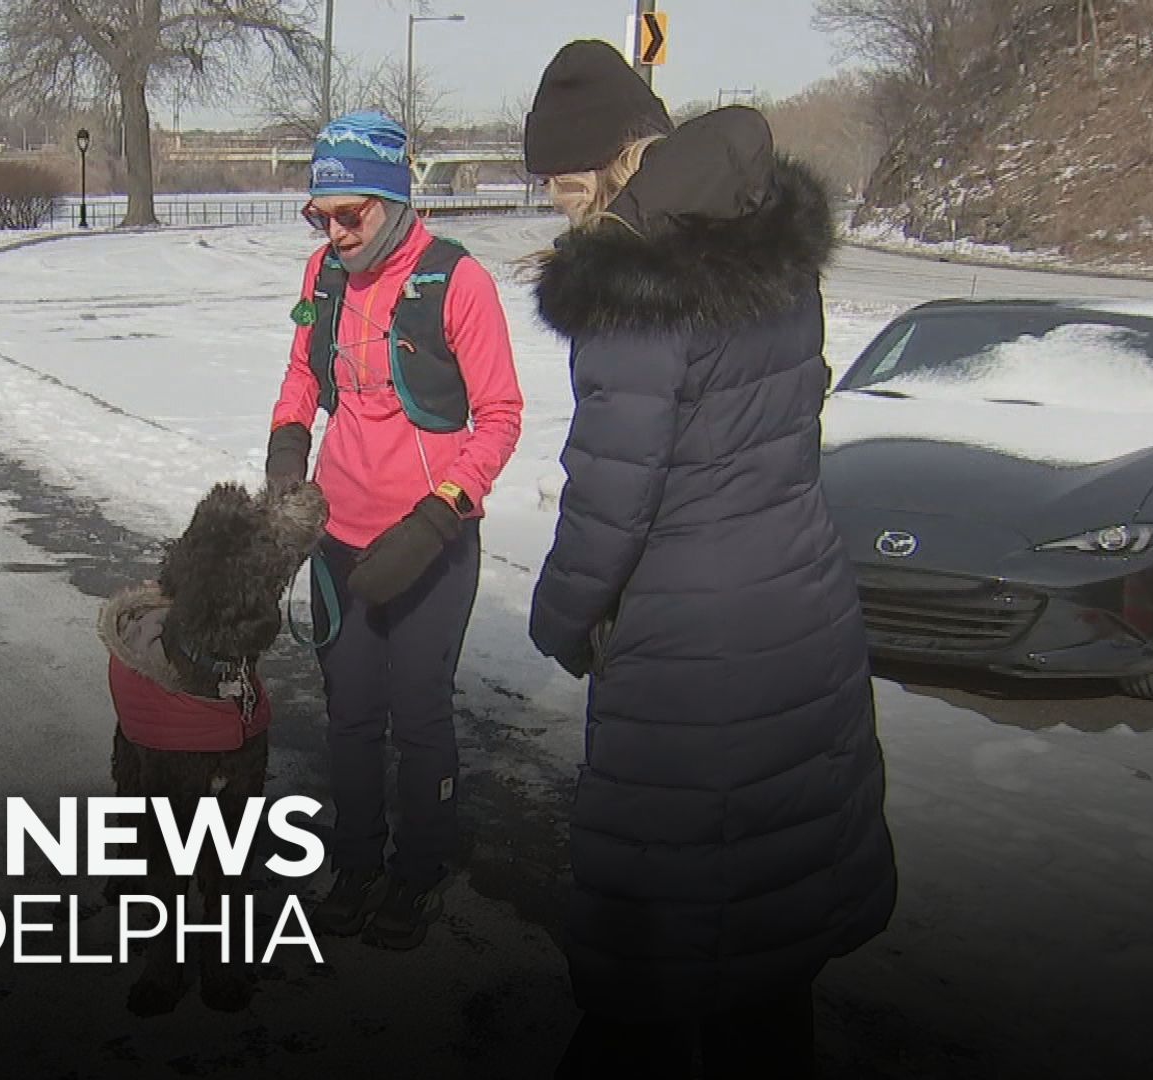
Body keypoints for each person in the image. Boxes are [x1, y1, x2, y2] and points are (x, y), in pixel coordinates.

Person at [520, 40, 898, 1075]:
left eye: (564, 188)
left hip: (693, 649)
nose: (561, 211)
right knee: (773, 949)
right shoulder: (765, 243)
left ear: (612, 167)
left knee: (650, 955)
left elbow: (610, 498)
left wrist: (558, 619)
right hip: (803, 604)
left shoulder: (633, 284)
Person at [265, 110, 523, 951]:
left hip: (428, 542)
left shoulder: (458, 282)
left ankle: (419, 867)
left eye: (351, 214)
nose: (334, 232)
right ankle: (357, 863)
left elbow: (500, 417)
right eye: (320, 215)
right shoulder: (324, 276)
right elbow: (303, 373)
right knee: (348, 714)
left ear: (394, 200)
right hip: (341, 534)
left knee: (417, 716)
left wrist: (440, 515)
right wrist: (286, 448)